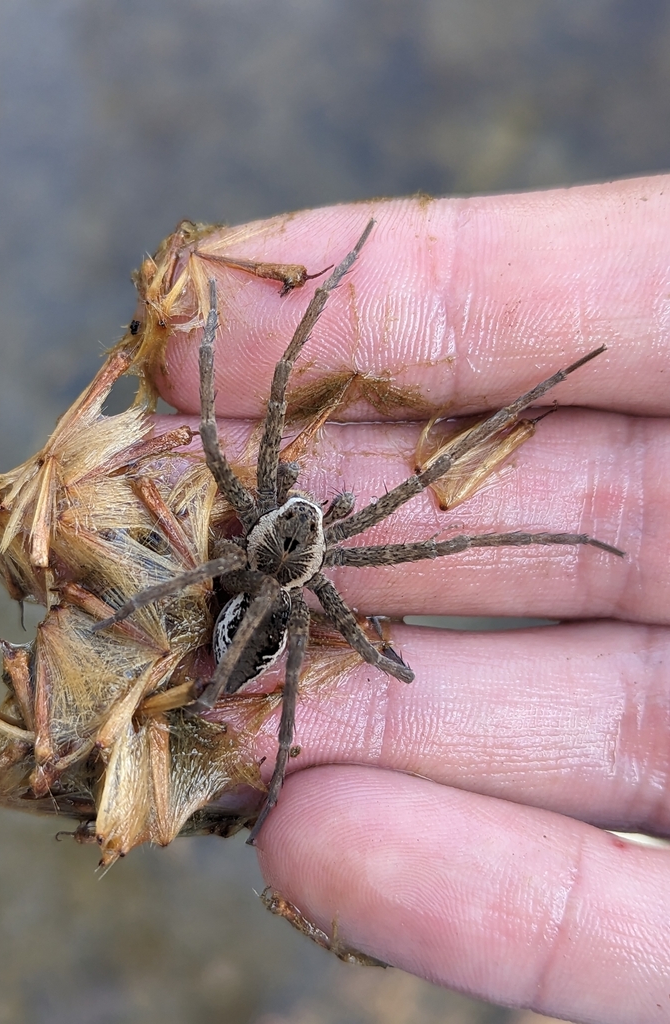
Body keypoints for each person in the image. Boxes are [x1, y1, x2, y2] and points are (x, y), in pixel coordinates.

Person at [154, 174, 670, 1024]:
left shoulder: (261, 517)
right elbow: (261, 413)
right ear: (305, 520)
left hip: (249, 598)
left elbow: (227, 424)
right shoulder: (327, 578)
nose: (305, 506)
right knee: (293, 437)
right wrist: (371, 649)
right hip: (256, 605)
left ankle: (271, 761)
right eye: (303, 510)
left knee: (261, 426)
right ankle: (273, 770)